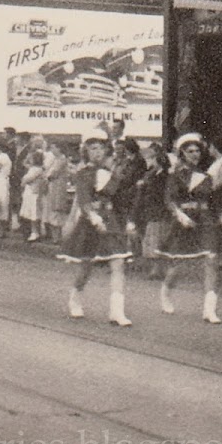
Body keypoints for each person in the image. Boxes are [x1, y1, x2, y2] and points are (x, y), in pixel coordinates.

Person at [57, 128, 134, 327]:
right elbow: (83, 199)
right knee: (86, 268)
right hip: (90, 224)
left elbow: (120, 200)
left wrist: (128, 221)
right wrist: (93, 217)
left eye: (100, 148)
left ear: (106, 150)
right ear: (86, 151)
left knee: (118, 263)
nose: (97, 152)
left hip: (111, 222)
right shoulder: (83, 174)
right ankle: (75, 298)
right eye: (92, 149)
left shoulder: (112, 173)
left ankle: (117, 312)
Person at [154, 133, 222, 324]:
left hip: (205, 221)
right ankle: (165, 293)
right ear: (182, 153)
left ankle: (209, 310)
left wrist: (221, 215)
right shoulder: (175, 176)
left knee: (211, 260)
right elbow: (169, 200)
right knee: (178, 266)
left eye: (197, 151)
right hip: (185, 222)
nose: (195, 154)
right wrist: (180, 215)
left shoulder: (205, 177)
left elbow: (211, 201)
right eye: (190, 151)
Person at [131, 142, 171, 280]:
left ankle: (157, 269)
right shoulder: (152, 174)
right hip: (151, 209)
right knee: (152, 238)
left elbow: (160, 193)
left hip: (159, 210)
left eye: (153, 158)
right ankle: (156, 268)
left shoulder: (164, 176)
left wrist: (144, 186)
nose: (150, 161)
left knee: (157, 239)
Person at [20, 150, 46, 242]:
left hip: (33, 192)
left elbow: (27, 179)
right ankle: (34, 232)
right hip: (31, 191)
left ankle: (35, 232)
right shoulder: (35, 169)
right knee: (31, 212)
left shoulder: (36, 169)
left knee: (34, 212)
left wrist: (23, 181)